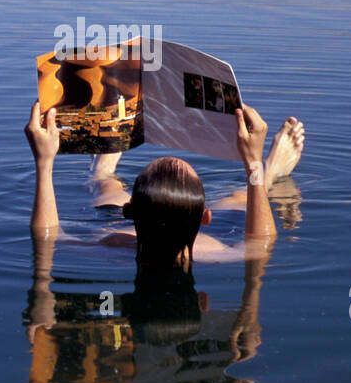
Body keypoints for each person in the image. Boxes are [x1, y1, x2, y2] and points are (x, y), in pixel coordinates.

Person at [24, 100, 305, 266]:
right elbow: (260, 241)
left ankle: (102, 172)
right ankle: (266, 175)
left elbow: (48, 236)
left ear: (130, 210)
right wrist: (254, 161)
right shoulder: (216, 253)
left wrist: (44, 162)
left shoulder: (111, 242)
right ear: (205, 216)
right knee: (238, 197)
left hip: (136, 227)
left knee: (108, 189)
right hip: (164, 221)